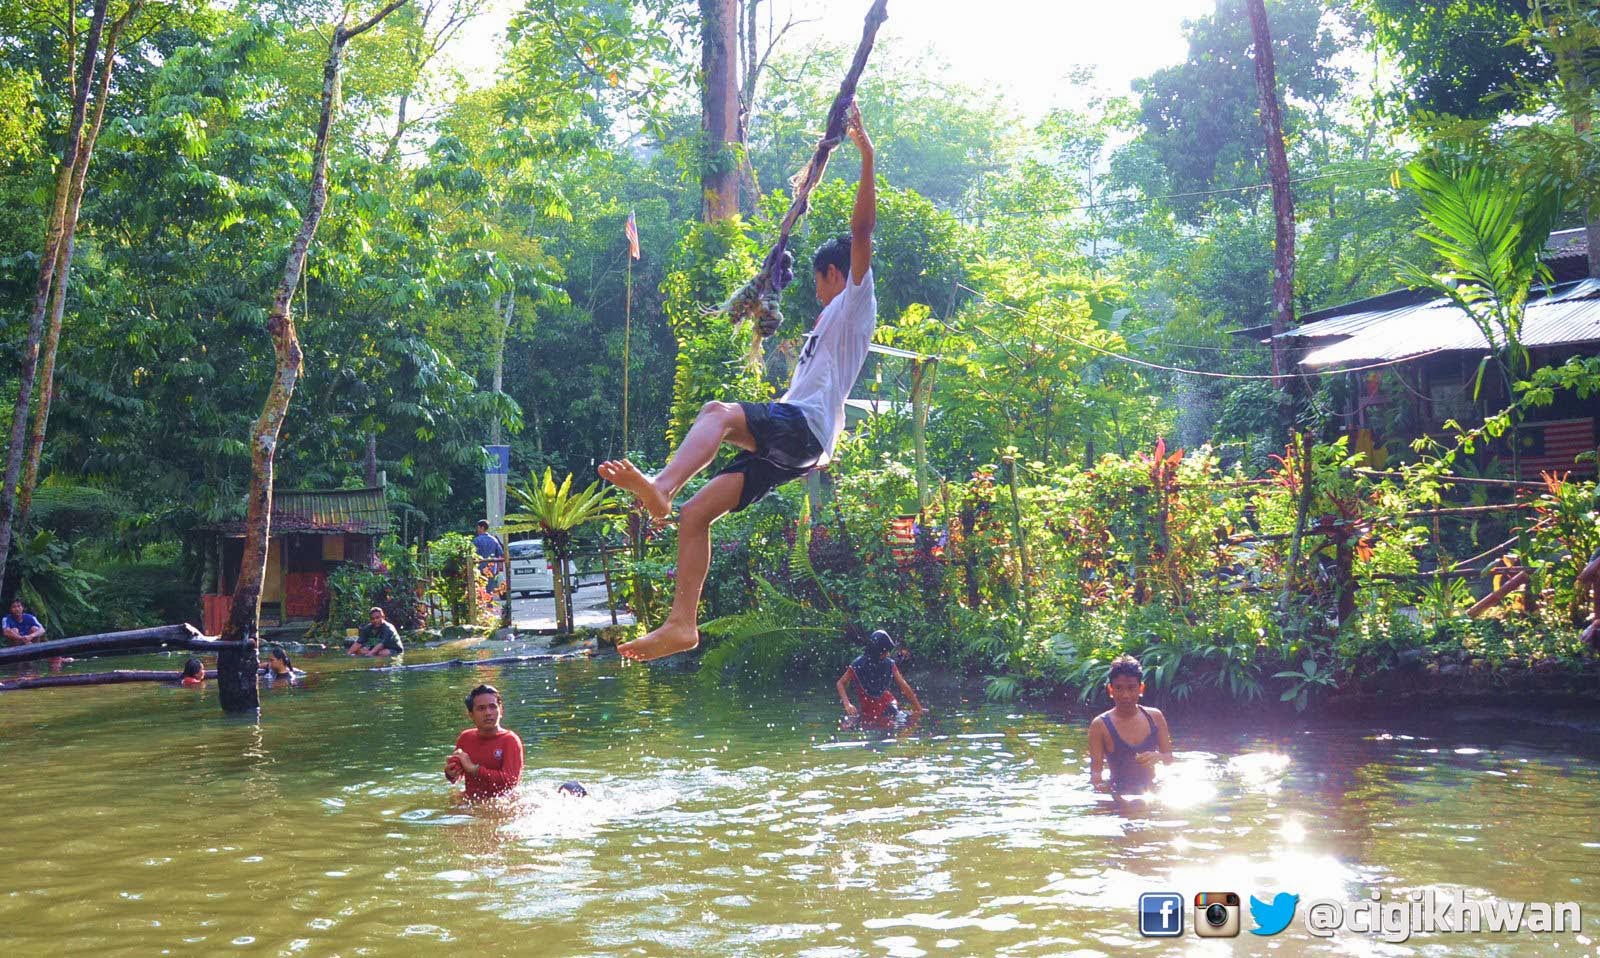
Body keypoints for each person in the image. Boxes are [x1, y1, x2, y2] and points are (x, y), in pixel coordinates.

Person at [599, 105, 879, 662]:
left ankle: (661, 485)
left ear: (831, 274)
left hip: (803, 431)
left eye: (820, 282)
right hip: (800, 446)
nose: (817, 291)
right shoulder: (831, 322)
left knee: (717, 412)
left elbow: (861, 230)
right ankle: (683, 624)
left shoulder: (854, 300)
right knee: (698, 514)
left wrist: (866, 154)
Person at [1087, 654, 1174, 795]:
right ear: (1110, 690)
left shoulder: (1155, 717)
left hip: (1152, 789)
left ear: (1141, 689)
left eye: (1131, 688)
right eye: (1119, 688)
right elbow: (1096, 775)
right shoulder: (1100, 725)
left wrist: (1159, 756)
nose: (1125, 695)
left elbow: (1169, 759)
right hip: (1119, 791)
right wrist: (1108, 798)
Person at [445, 684, 524, 801]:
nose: (488, 712)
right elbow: (457, 776)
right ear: (471, 714)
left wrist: (474, 769)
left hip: (502, 803)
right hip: (470, 800)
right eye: (481, 708)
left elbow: (511, 782)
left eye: (493, 707)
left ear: (501, 710)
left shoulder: (510, 740)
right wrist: (450, 773)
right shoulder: (465, 737)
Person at [836, 630, 924, 730]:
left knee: (895, 721)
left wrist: (918, 709)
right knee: (844, 727)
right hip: (869, 710)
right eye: (885, 652)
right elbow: (840, 683)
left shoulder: (889, 664)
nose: (887, 654)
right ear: (877, 651)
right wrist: (847, 704)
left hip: (889, 705)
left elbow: (904, 685)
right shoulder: (858, 664)